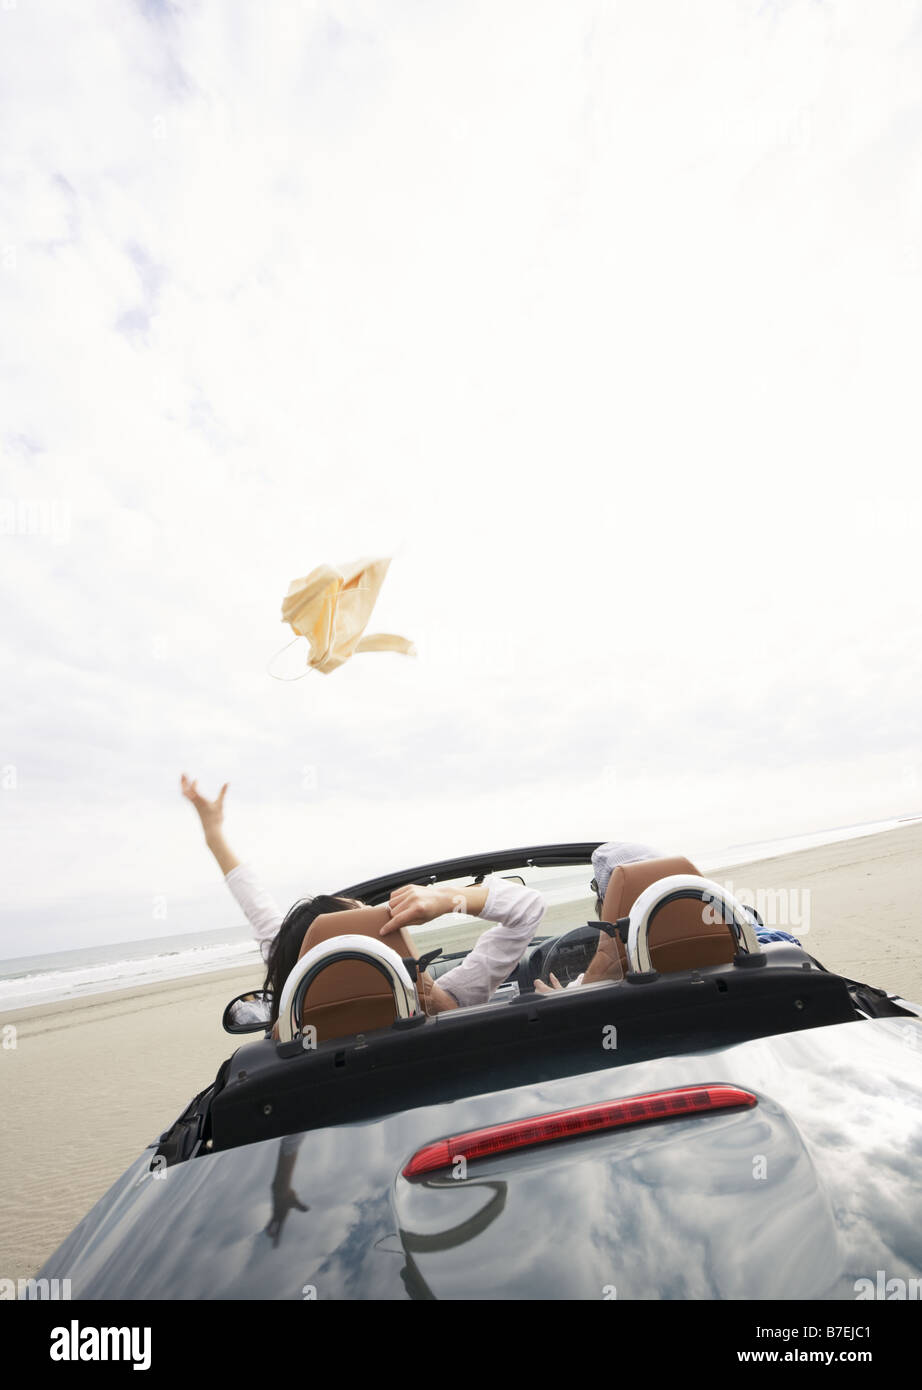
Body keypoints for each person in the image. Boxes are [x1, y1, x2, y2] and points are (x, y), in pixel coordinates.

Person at [180, 774, 546, 1025]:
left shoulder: (294, 1013)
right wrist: (445, 900)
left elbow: (255, 903)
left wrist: (213, 833)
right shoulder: (447, 1000)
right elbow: (529, 908)